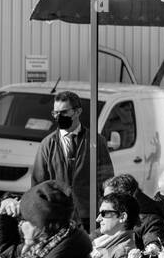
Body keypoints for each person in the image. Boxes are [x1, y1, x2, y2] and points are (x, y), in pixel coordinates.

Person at [28, 90, 114, 233]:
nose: (58, 116)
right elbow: (38, 184)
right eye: (55, 113)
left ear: (77, 111)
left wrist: (107, 212)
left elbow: (107, 180)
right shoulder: (47, 144)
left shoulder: (96, 141)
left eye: (63, 112)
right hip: (59, 218)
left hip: (89, 217)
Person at [91, 192, 141, 258]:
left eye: (104, 213)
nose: (98, 219)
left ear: (122, 217)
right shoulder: (104, 247)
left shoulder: (124, 254)